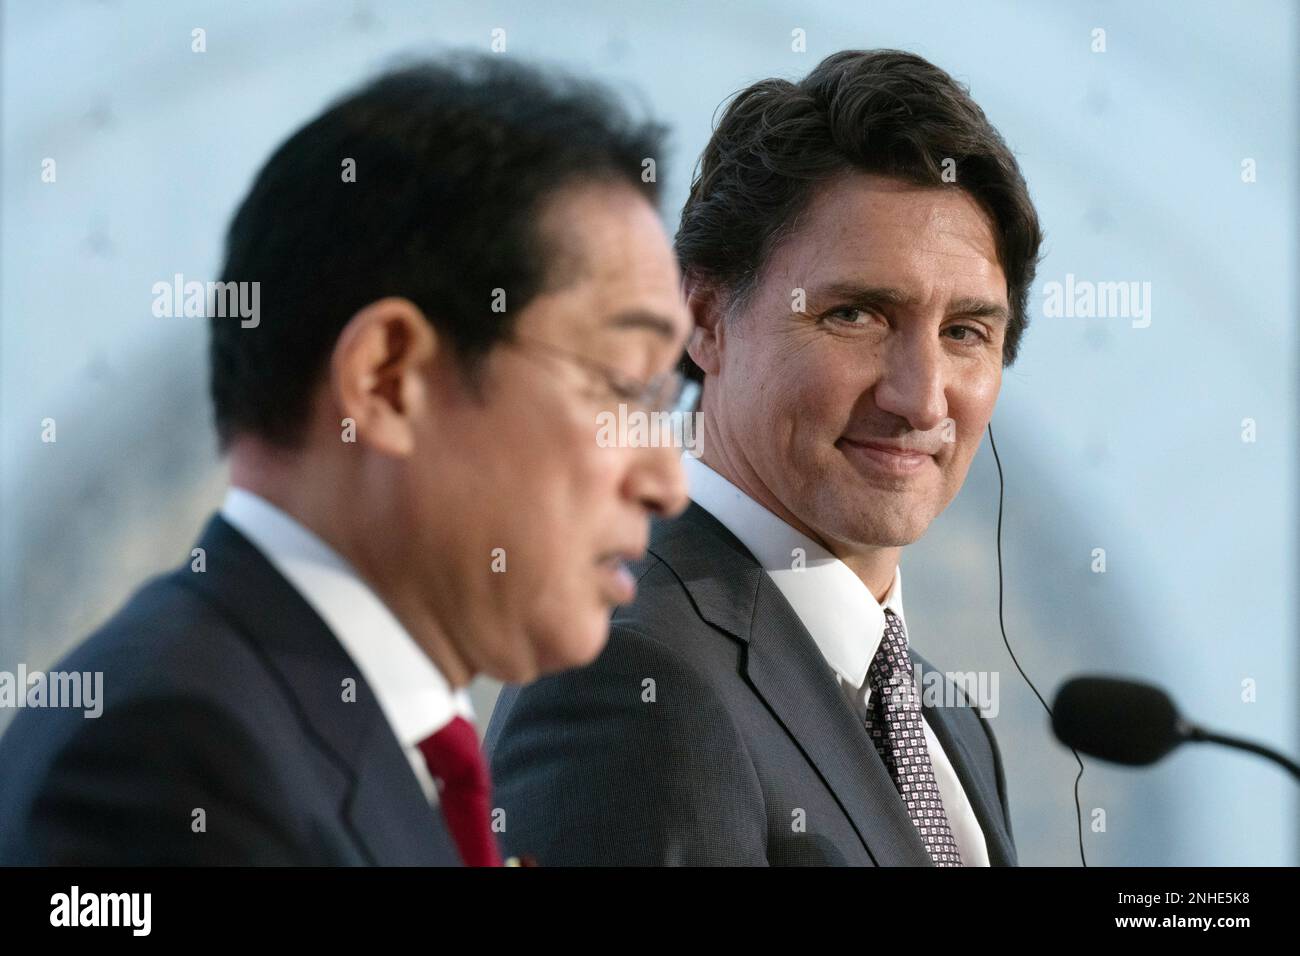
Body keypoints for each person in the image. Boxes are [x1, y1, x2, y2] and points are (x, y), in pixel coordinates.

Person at [0, 55, 692, 865]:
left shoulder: (331, 729)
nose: (666, 482)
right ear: (388, 380)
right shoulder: (174, 764)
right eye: (622, 387)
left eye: (666, 402)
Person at [486, 49, 1044, 866]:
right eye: (855, 315)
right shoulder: (627, 674)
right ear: (704, 319)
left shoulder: (947, 719)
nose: (921, 398)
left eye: (966, 333)